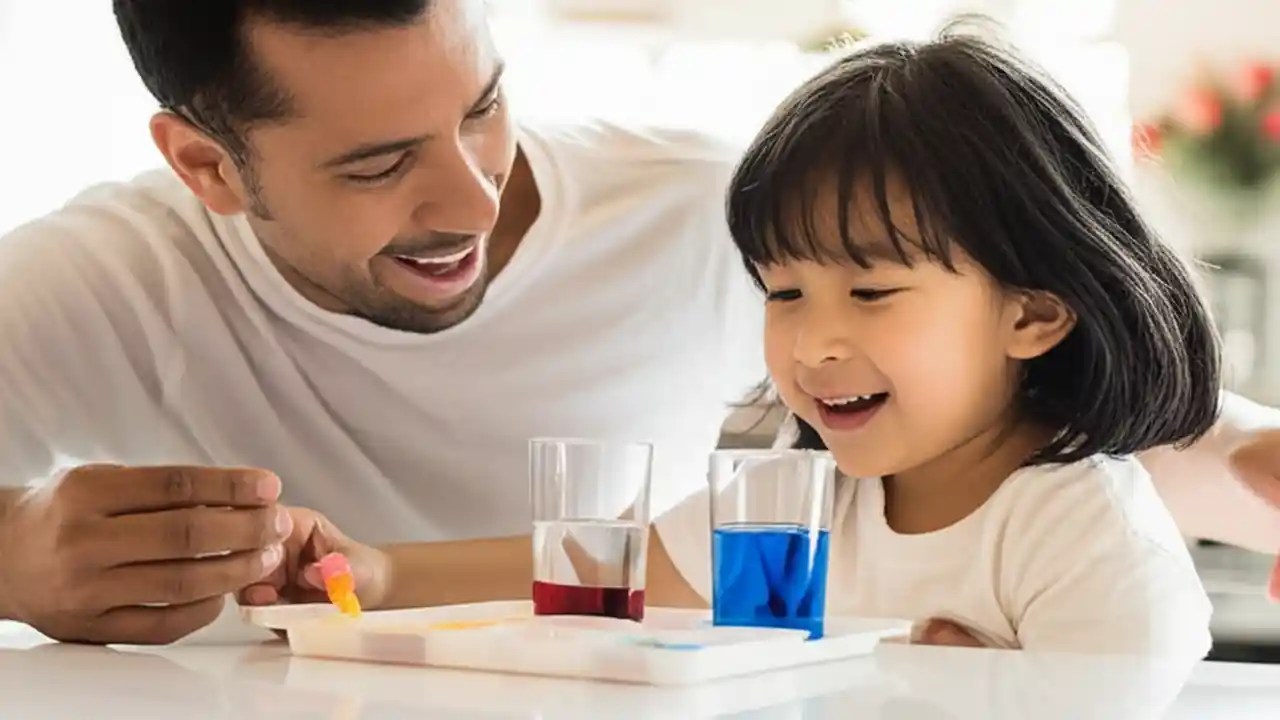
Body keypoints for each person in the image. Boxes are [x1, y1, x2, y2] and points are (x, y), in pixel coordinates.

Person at [0, 0, 1274, 645]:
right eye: (378, 165)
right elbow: (601, 570)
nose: (470, 192)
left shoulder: (729, 208)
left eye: (484, 108)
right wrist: (23, 561)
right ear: (207, 166)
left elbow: (1078, 421)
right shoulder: (98, 281)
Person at [654, 32, 1219, 658]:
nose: (813, 349)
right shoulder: (799, 505)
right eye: (783, 293)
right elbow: (595, 575)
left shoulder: (1088, 544)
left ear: (1031, 315)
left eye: (870, 293)